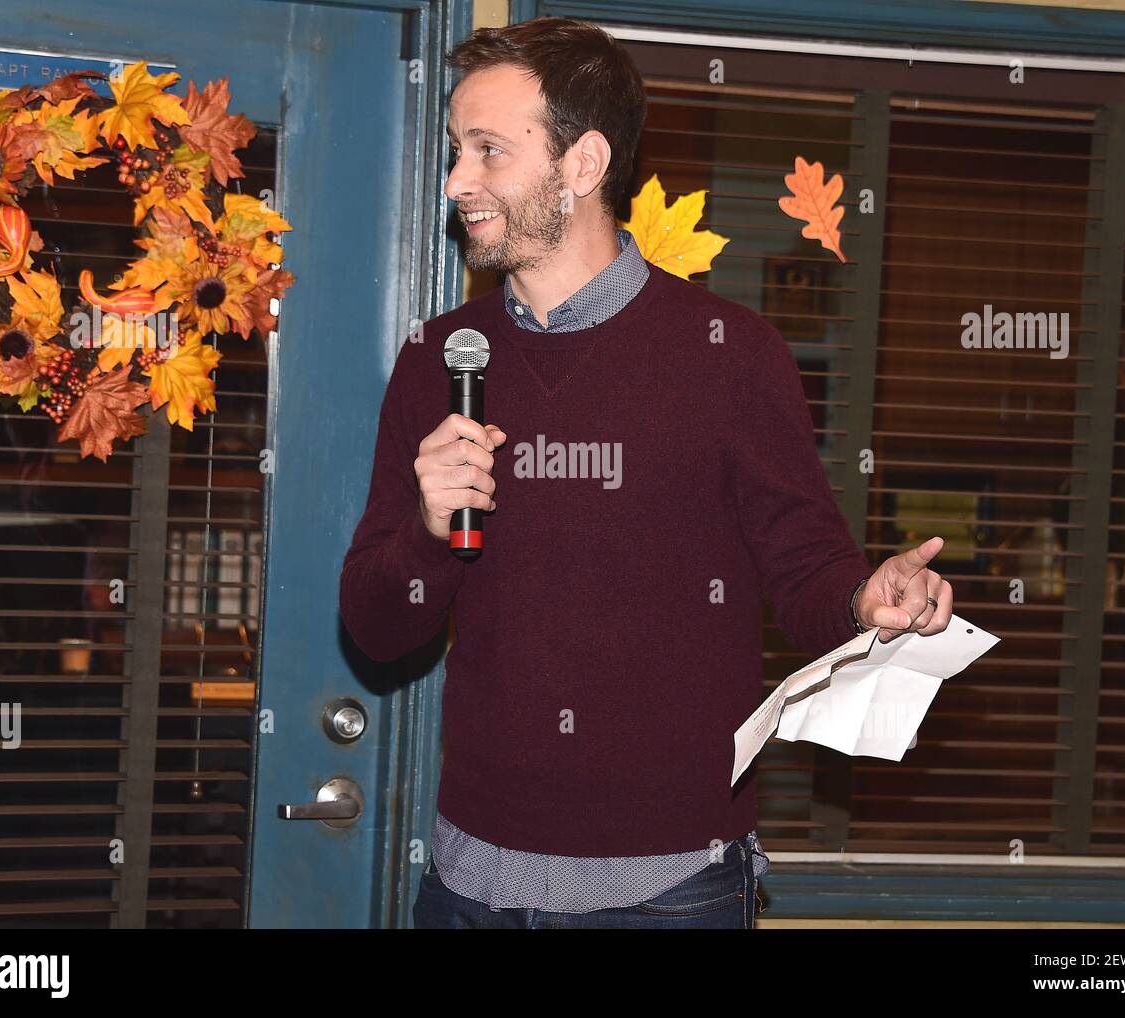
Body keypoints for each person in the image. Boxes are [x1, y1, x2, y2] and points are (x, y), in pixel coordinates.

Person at [339, 16, 952, 930]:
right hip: (470, 883)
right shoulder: (439, 359)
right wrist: (430, 535)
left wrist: (868, 597)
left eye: (489, 151)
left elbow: (804, 568)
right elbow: (373, 628)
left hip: (672, 893)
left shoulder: (729, 356)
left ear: (582, 166)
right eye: (456, 150)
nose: (458, 180)